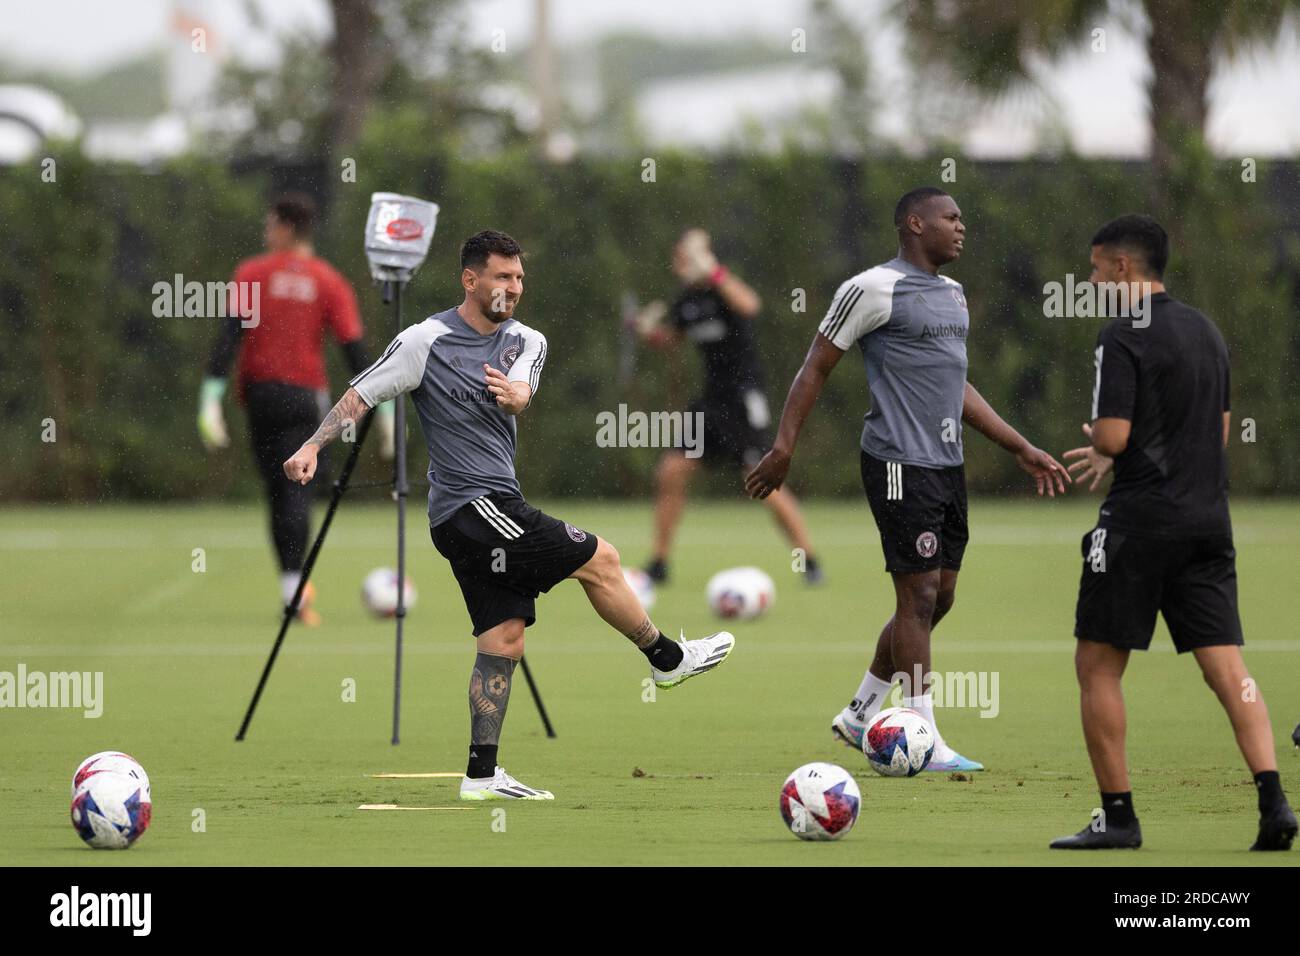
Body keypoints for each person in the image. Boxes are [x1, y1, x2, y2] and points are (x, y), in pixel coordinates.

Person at [283, 230, 735, 800]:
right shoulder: (425, 341)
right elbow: (361, 395)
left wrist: (516, 397)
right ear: (470, 281)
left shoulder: (526, 339)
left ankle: (481, 775)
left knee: (503, 638)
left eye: (519, 278)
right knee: (602, 559)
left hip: (477, 514)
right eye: (502, 277)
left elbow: (522, 388)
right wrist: (311, 446)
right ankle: (667, 658)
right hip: (473, 508)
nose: (513, 288)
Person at [745, 187, 1068, 772]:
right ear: (915, 224)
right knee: (916, 596)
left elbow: (957, 387)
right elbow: (815, 366)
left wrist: (1020, 445)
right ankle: (924, 732)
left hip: (946, 465)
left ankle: (860, 711)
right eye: (951, 218)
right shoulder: (871, 288)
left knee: (939, 597)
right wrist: (783, 447)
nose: (962, 226)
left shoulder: (954, 295)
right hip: (896, 461)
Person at [1051, 215, 1296, 851]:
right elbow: (1214, 433)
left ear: (1124, 268)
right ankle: (1274, 802)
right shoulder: (1206, 331)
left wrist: (1108, 453)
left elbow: (1112, 436)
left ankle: (1119, 817)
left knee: (1097, 666)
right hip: (1207, 521)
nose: (1092, 278)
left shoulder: (1121, 333)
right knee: (1226, 665)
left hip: (1138, 523)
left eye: (1098, 267)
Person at [199, 193, 393, 625]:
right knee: (297, 491)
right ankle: (294, 594)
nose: (266, 233)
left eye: (270, 225)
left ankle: (292, 588)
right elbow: (356, 353)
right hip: (304, 400)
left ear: (286, 228)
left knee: (277, 490)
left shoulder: (251, 273)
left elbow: (227, 340)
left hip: (261, 399)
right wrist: (384, 412)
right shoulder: (329, 280)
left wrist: (209, 399)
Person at [639, 228, 823, 585]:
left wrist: (715, 272)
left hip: (742, 398)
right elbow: (671, 340)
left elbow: (750, 305)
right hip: (710, 400)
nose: (683, 262)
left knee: (760, 479)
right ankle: (659, 564)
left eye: (692, 254)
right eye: (681, 255)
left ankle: (809, 560)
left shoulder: (723, 288)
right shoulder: (685, 300)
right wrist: (646, 331)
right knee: (671, 471)